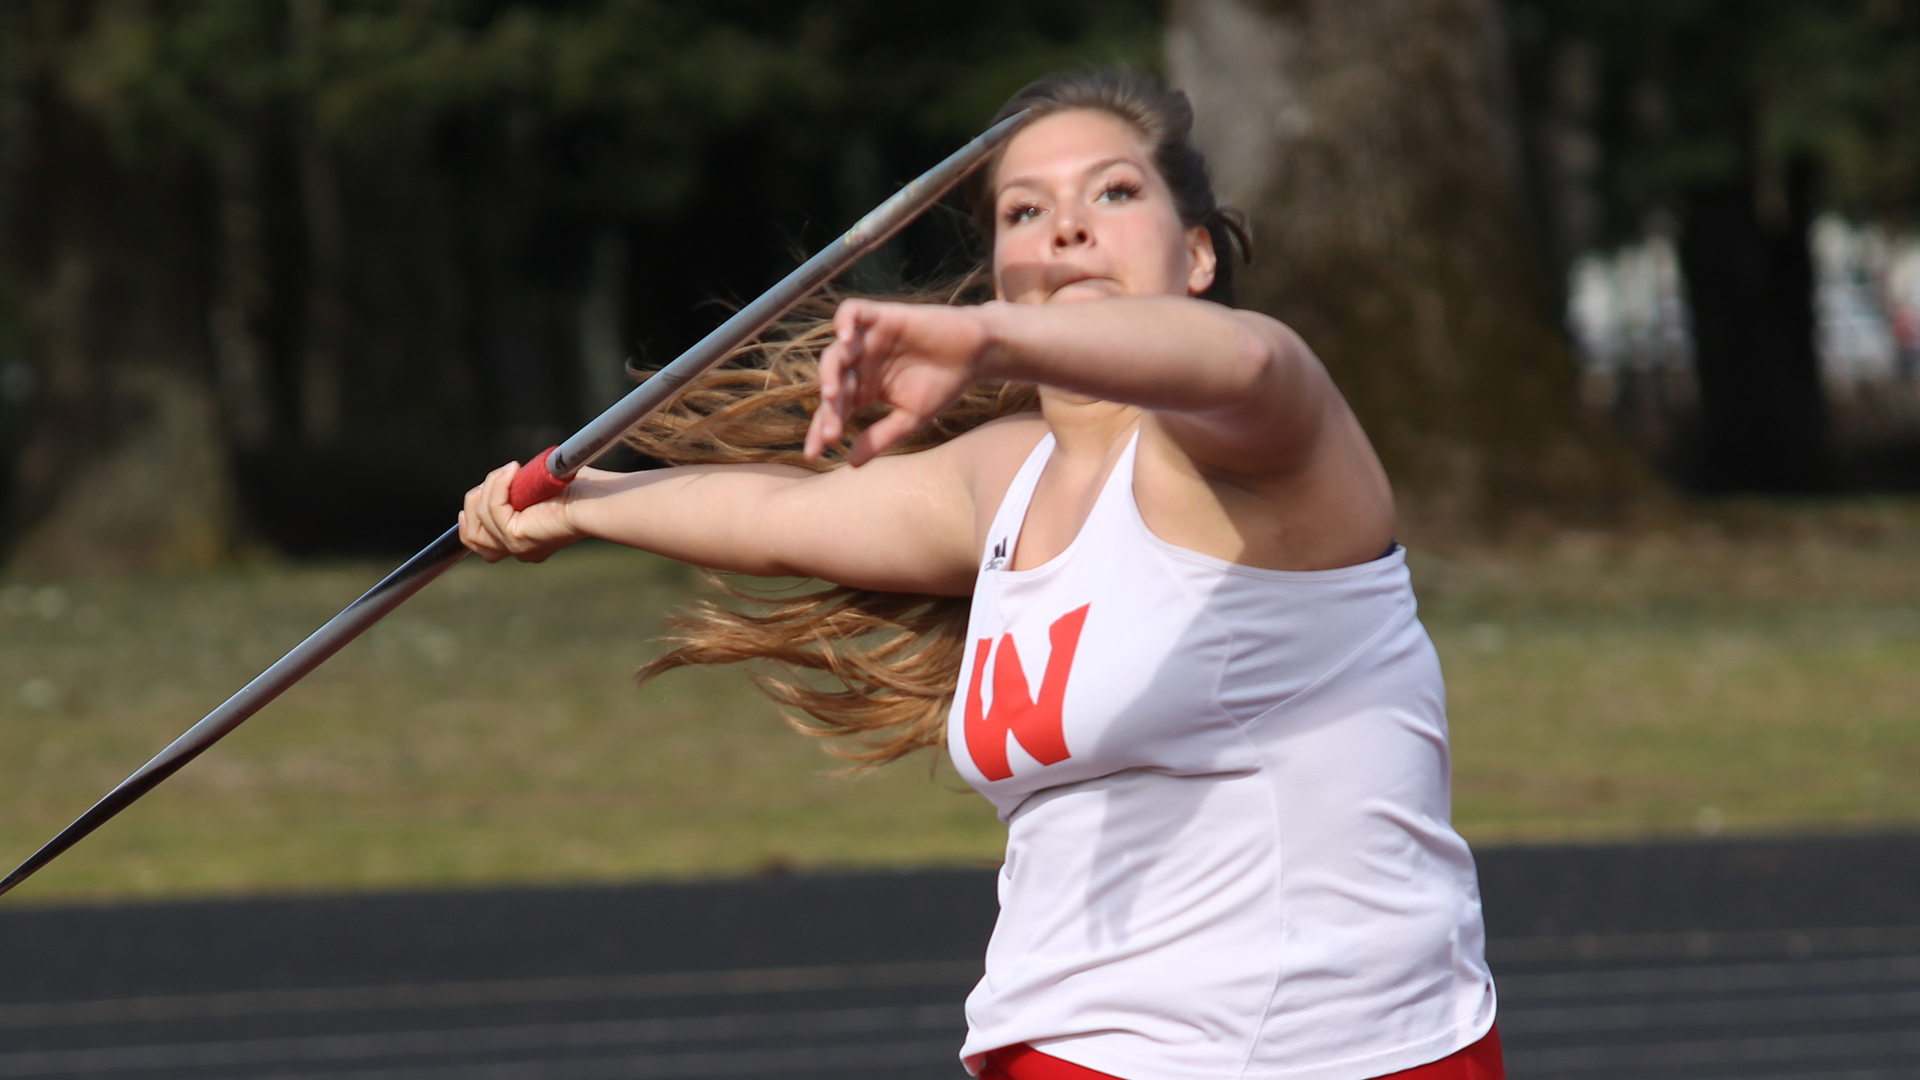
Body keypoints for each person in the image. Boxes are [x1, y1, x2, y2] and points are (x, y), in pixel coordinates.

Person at [461, 69, 1501, 1080]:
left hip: (1346, 1057)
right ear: (1002, 260)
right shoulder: (1003, 480)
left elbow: (1250, 363)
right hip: (1065, 1047)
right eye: (1024, 209)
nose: (1068, 225)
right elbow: (786, 515)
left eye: (1115, 190)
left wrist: (988, 339)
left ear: (1194, 257)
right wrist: (580, 503)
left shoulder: (1263, 453)